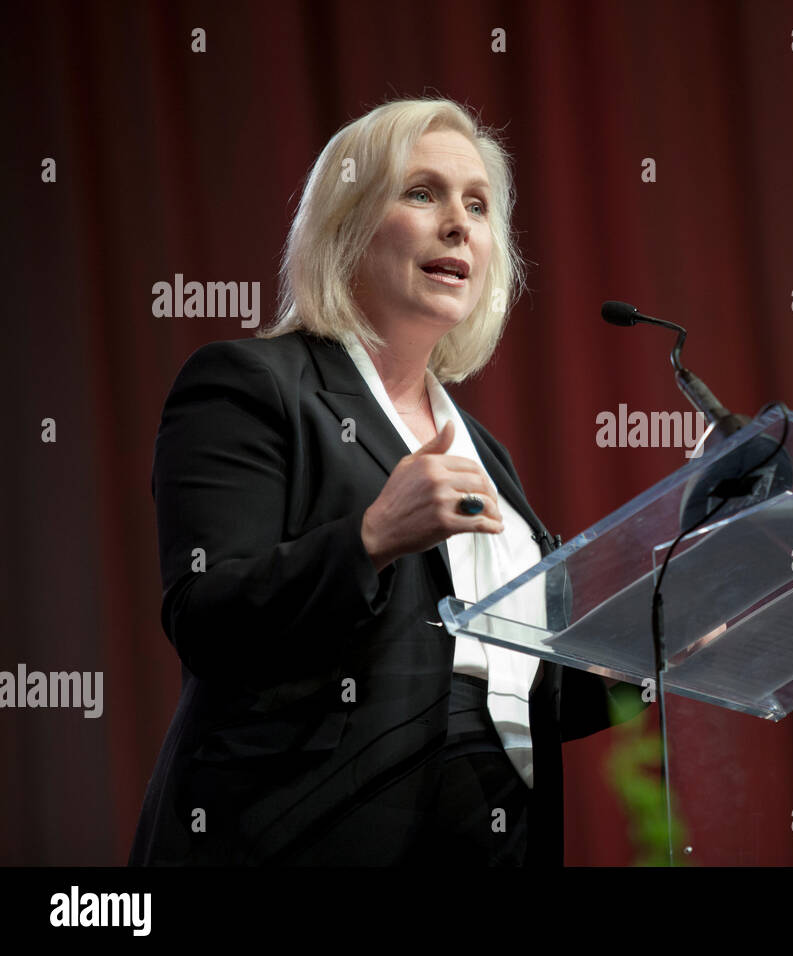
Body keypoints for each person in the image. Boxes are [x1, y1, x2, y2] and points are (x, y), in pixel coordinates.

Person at [129, 98, 615, 866]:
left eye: (478, 205)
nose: (459, 222)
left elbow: (525, 690)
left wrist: (656, 647)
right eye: (423, 193)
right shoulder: (251, 386)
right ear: (348, 222)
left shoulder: (485, 450)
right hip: (306, 836)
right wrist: (371, 538)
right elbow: (206, 618)